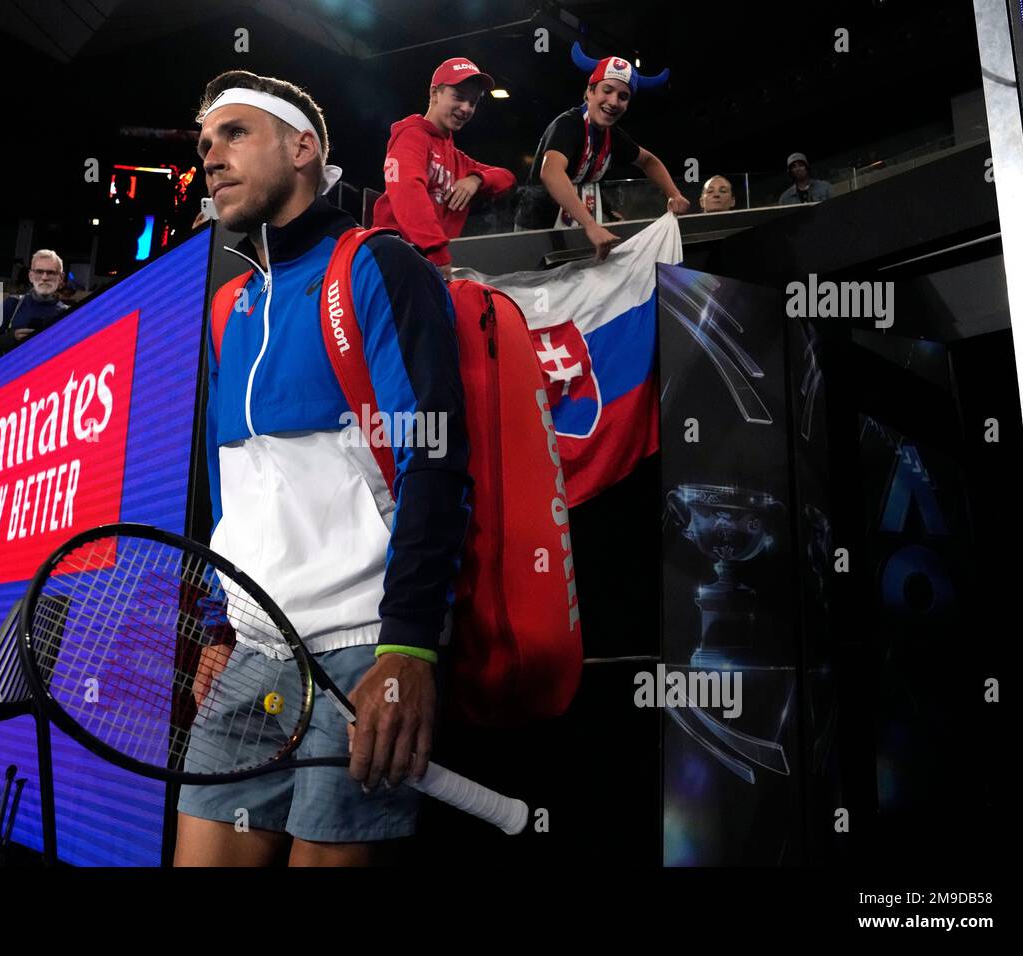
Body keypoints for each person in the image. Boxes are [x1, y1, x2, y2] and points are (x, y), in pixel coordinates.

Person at [179, 69, 470, 867]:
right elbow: (227, 485)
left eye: (235, 134)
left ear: (302, 148)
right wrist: (215, 627)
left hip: (361, 650)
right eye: (206, 145)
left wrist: (407, 649)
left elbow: (436, 462)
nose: (212, 156)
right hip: (249, 653)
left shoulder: (379, 267)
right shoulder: (225, 307)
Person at [514, 51, 690, 259]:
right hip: (539, 230)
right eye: (607, 90)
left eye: (623, 96)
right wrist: (590, 224)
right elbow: (550, 173)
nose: (614, 102)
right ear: (589, 91)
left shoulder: (612, 135)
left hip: (578, 228)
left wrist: (673, 194)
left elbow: (648, 161)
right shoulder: (568, 124)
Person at [371, 57, 516, 278]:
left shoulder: (458, 160)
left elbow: (507, 178)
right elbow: (407, 192)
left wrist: (475, 180)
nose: (466, 108)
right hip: (391, 262)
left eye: (474, 102)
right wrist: (437, 253)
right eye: (458, 97)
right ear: (434, 94)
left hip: (426, 265)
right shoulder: (411, 136)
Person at [0, 249, 69, 357]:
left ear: (61, 278)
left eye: (51, 273)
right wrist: (12, 338)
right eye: (39, 272)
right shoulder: (13, 304)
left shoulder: (68, 314)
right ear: (31, 276)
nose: (44, 277)